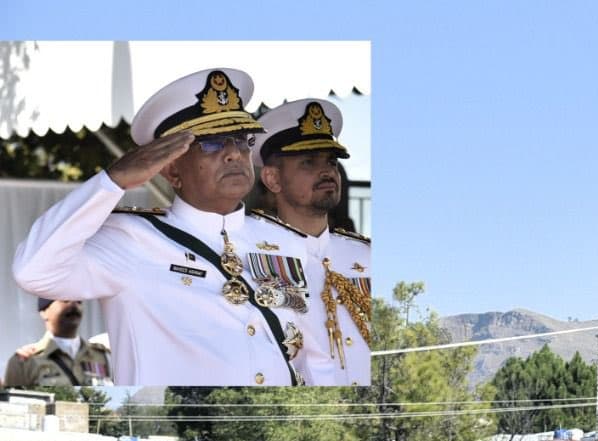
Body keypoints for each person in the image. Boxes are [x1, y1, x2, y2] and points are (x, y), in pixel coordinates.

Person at [12, 67, 310, 386]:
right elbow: (33, 271)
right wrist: (111, 182)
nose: (234, 153)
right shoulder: (130, 238)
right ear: (170, 168)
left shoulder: (283, 241)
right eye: (211, 143)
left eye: (241, 139)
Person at [252, 98, 371, 385]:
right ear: (272, 179)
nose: (327, 171)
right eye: (308, 162)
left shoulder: (366, 255)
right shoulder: (247, 251)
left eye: (331, 161)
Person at [5, 298, 114, 388]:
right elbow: (14, 409)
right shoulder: (24, 362)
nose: (73, 304)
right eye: (65, 300)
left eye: (79, 301)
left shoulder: (102, 356)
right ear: (44, 312)